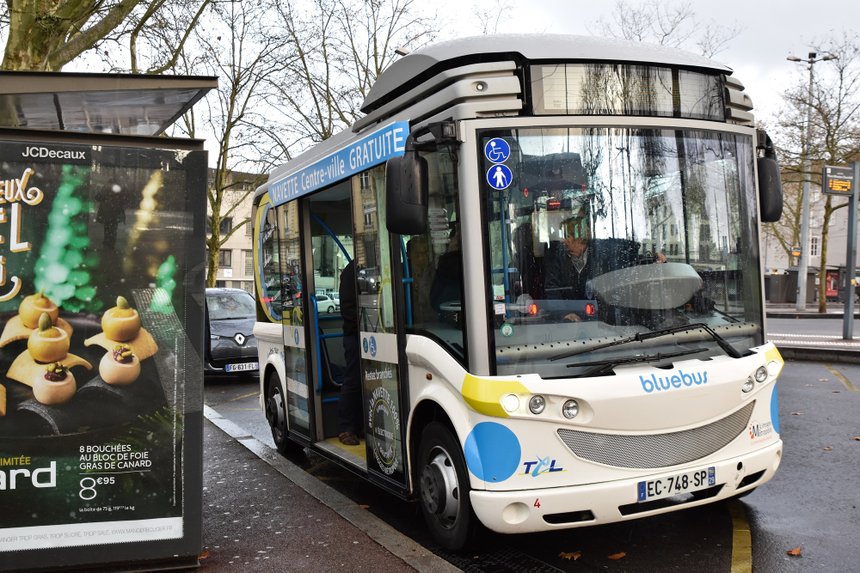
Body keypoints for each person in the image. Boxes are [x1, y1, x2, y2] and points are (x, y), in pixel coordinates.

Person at [337, 259, 362, 445]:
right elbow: (348, 308)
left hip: (370, 334)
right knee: (353, 379)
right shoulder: (351, 271)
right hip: (355, 335)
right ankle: (346, 428)